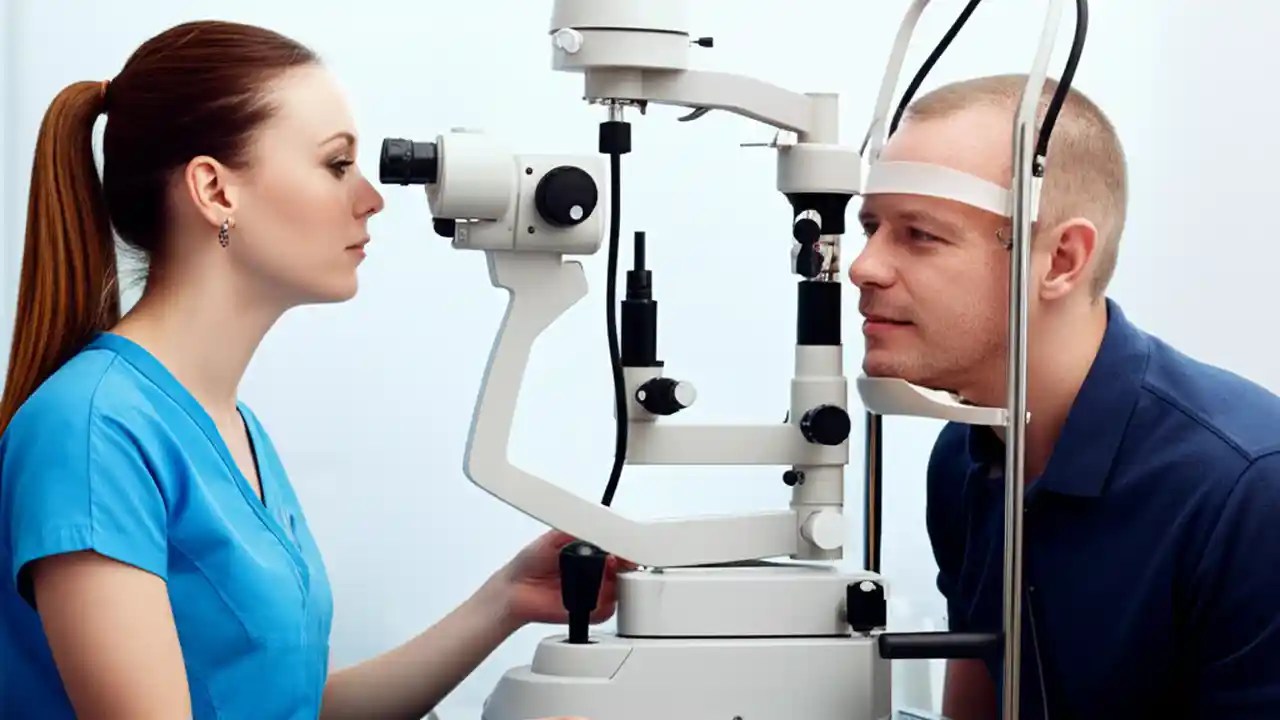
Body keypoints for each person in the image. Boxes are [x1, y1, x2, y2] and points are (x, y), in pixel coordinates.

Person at [0, 20, 623, 720]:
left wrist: (506, 600)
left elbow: (290, 709)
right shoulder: (92, 431)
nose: (372, 198)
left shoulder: (231, 427)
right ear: (215, 190)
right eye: (335, 165)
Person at [850, 73, 1280, 719]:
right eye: (872, 226)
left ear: (1059, 260)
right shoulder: (966, 455)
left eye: (920, 234)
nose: (864, 266)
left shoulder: (1244, 492)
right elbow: (982, 687)